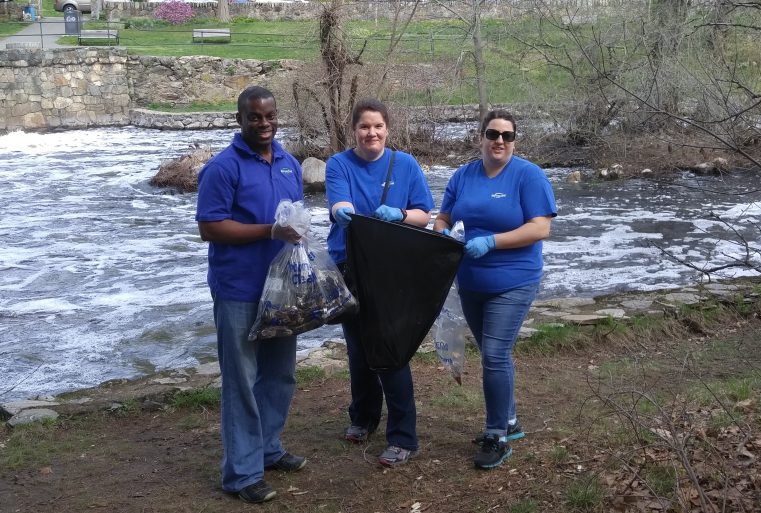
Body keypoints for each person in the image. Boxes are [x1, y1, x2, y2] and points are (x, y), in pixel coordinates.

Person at [195, 86, 306, 504]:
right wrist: (269, 231)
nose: (264, 124)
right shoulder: (222, 169)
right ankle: (241, 474)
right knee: (241, 380)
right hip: (239, 287)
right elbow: (210, 226)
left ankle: (269, 448)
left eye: (270, 116)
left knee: (280, 373)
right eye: (255, 117)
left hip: (282, 288)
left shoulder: (288, 163)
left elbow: (293, 216)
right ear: (239, 119)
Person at [433, 109, 557, 470]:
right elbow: (445, 216)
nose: (499, 140)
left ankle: (496, 435)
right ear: (481, 137)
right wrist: (441, 231)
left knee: (494, 355)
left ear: (514, 140)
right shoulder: (464, 175)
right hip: (470, 281)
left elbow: (539, 229)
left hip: (514, 280)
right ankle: (511, 421)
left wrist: (492, 242)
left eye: (506, 135)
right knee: (493, 352)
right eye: (492, 134)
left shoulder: (528, 176)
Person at [325, 98, 435, 467]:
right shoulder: (338, 164)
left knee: (388, 351)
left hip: (391, 269)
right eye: (363, 126)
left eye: (377, 126)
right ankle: (363, 418)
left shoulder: (405, 165)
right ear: (353, 130)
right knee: (358, 350)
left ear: (387, 129)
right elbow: (338, 203)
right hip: (349, 266)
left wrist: (400, 215)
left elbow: (424, 214)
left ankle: (404, 436)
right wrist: (344, 213)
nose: (371, 133)